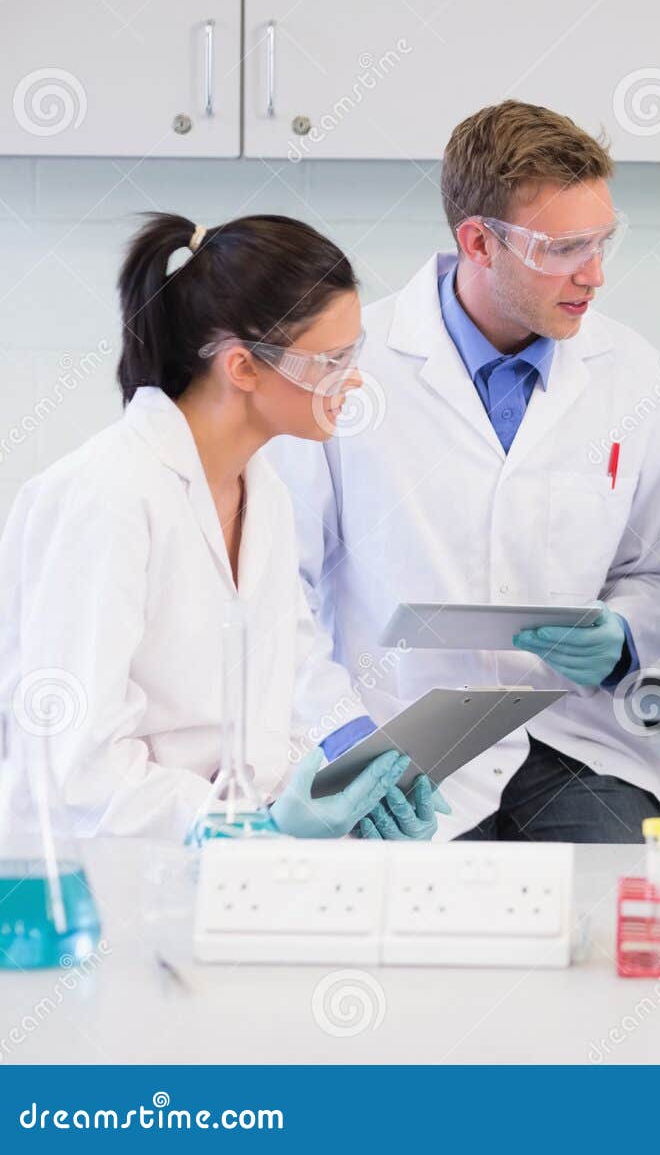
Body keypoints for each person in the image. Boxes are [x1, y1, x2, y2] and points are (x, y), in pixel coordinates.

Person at [269, 101, 660, 843]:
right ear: (478, 242)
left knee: (605, 915)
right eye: (565, 248)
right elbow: (281, 590)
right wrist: (342, 737)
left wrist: (624, 632)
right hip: (400, 749)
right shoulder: (345, 370)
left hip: (575, 745)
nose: (594, 275)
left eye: (603, 242)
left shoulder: (636, 378)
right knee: (422, 937)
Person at [0, 213, 436, 841]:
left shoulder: (266, 494)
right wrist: (245, 828)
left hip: (236, 878)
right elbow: (78, 772)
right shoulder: (106, 496)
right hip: (110, 884)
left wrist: (343, 803)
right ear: (242, 367)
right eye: (332, 359)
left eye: (355, 352)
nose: (355, 378)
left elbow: (266, 722)